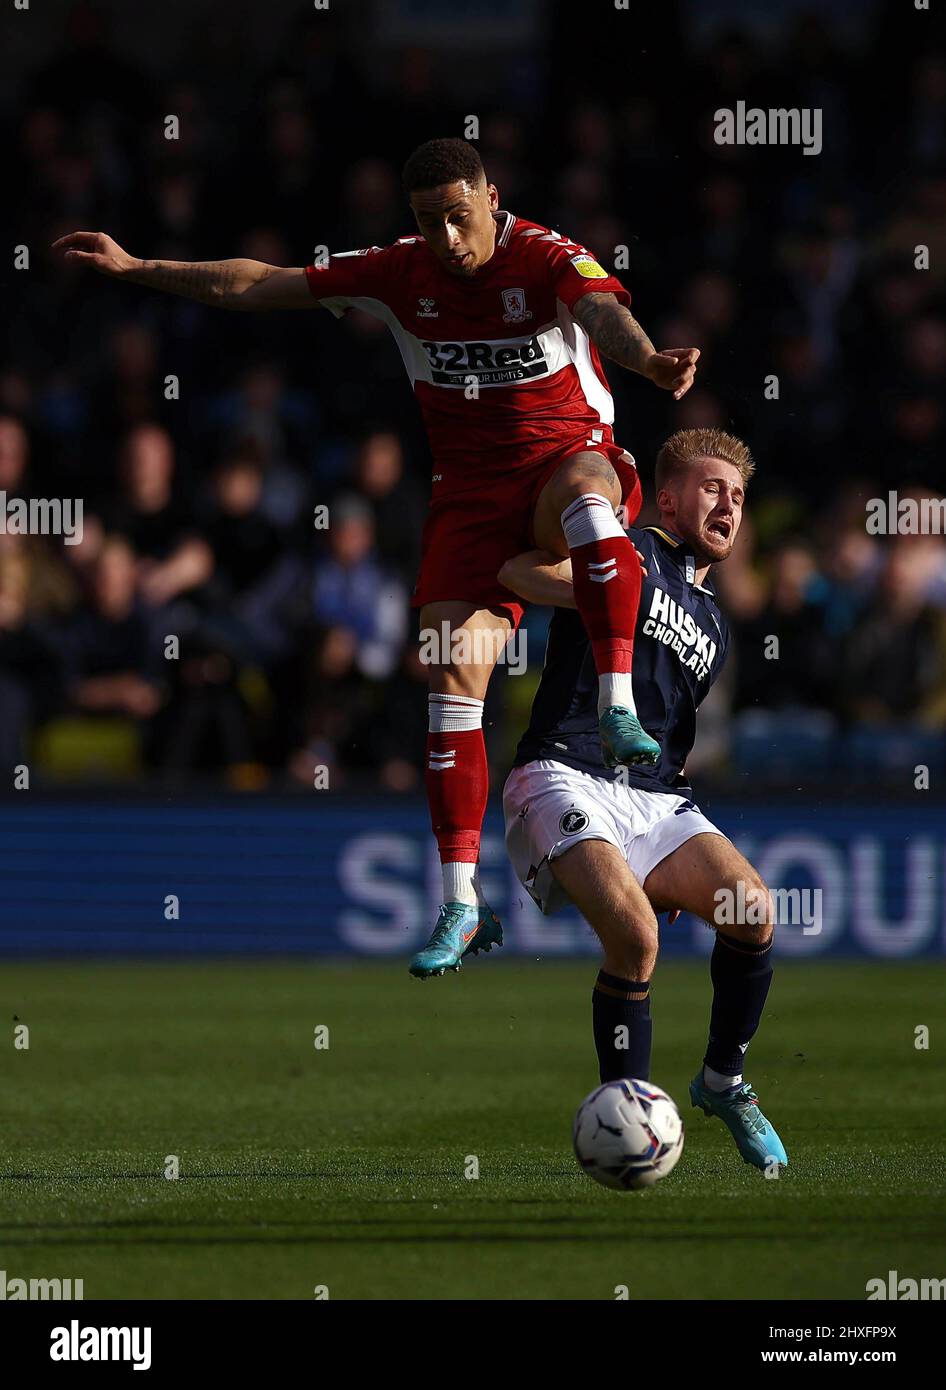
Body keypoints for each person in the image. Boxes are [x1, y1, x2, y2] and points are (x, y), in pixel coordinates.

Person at [53, 136, 699, 977]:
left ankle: (619, 706)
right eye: (430, 224)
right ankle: (462, 903)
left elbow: (602, 312)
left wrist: (647, 359)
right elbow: (257, 283)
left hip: (562, 458)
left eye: (460, 219)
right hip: (469, 501)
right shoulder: (400, 272)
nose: (449, 241)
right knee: (449, 687)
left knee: (587, 495)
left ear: (491, 198)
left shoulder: (547, 256)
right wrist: (141, 267)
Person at [499, 428, 787, 1171]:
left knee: (751, 911)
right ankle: (625, 1117)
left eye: (740, 496)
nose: (730, 505)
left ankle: (724, 1082)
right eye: (713, 488)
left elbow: (672, 733)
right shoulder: (622, 551)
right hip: (563, 770)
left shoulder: (716, 621)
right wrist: (590, 586)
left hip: (653, 795)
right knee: (636, 940)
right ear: (666, 497)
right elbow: (516, 567)